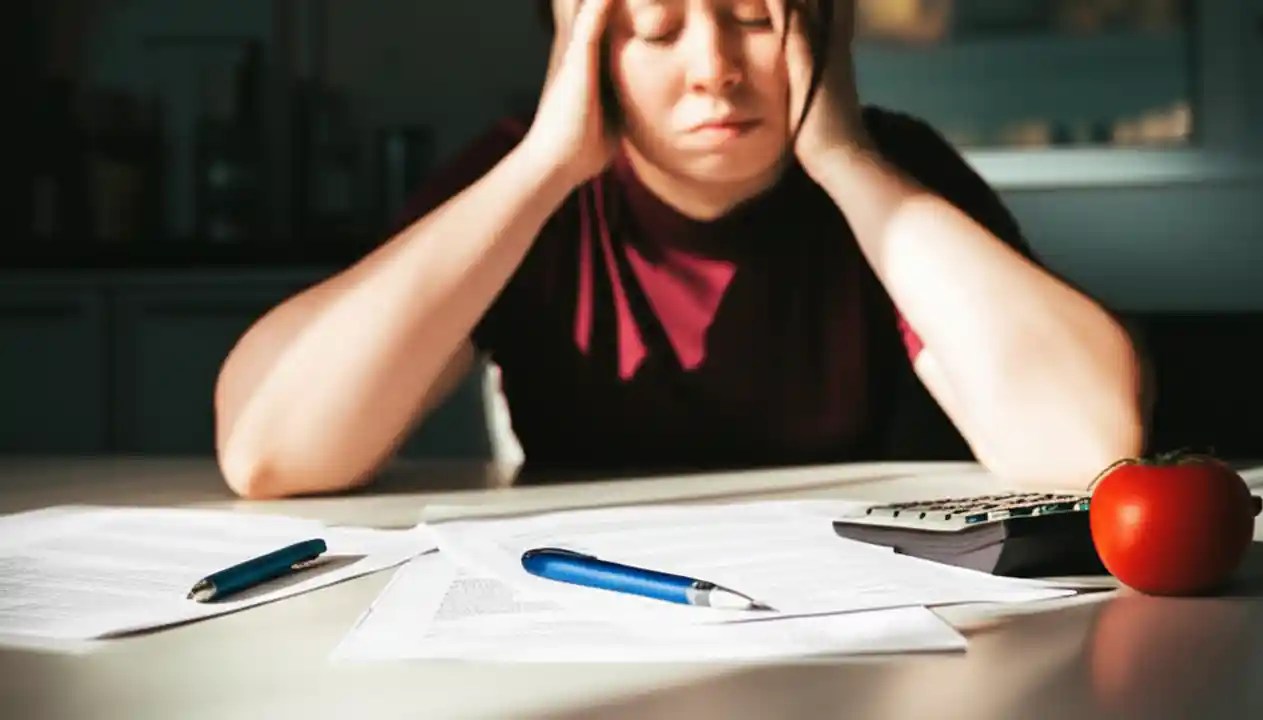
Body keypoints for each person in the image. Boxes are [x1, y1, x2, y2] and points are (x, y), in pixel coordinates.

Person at [214, 0, 1149, 499]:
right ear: (581, 50)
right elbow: (269, 452)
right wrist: (543, 163)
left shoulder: (895, 173)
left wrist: (846, 159)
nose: (715, 70)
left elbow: (1093, 440)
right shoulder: (519, 189)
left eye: (755, 19)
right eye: (656, 28)